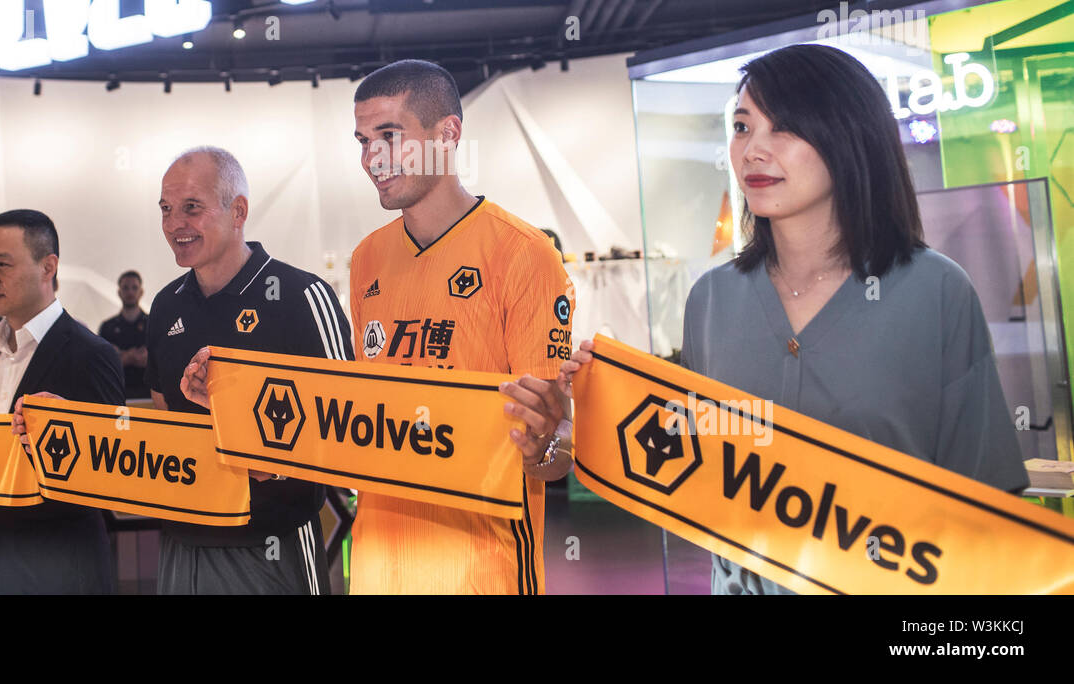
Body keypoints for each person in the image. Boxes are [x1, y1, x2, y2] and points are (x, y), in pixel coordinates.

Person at [564, 43, 1028, 595]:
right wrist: (592, 412)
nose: (752, 151)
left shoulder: (937, 292)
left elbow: (985, 498)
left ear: (847, 136)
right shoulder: (711, 299)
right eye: (741, 127)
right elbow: (701, 468)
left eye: (782, 128)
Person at [348, 59, 573, 594]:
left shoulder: (525, 255)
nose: (371, 158)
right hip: (378, 567)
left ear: (447, 134)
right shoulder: (366, 260)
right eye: (361, 140)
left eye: (389, 135)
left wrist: (545, 445)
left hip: (481, 571)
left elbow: (555, 448)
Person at [155, 147, 353, 594]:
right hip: (180, 542)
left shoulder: (302, 297)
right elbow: (163, 419)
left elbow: (349, 434)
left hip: (270, 544)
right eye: (166, 210)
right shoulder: (165, 306)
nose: (174, 225)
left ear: (238, 210)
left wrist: (271, 462)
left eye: (191, 208)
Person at [0, 209, 123, 594]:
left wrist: (75, 430)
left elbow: (118, 471)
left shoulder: (91, 353)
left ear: (48, 267)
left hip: (61, 565)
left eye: (3, 265)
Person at [98, 270, 149, 399]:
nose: (130, 292)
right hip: (116, 395)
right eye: (125, 288)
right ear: (119, 292)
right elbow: (103, 364)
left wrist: (122, 356)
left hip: (148, 396)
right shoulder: (107, 327)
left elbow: (159, 359)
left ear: (141, 292)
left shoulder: (153, 324)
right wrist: (130, 357)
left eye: (134, 288)